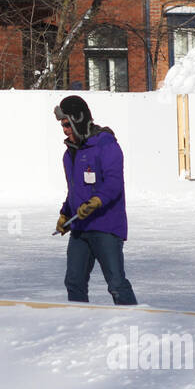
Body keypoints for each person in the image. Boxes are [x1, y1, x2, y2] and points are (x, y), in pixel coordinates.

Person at [53, 95, 136, 305]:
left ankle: (134, 320)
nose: (65, 130)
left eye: (67, 124)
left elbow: (114, 183)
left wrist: (96, 201)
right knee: (74, 281)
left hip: (106, 226)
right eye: (62, 126)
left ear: (78, 120)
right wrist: (65, 213)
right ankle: (80, 324)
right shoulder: (69, 154)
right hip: (81, 228)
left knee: (116, 283)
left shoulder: (106, 146)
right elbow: (75, 191)